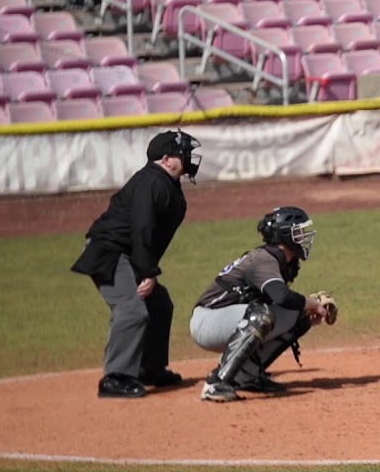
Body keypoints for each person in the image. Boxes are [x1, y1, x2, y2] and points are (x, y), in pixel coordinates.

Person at [71, 130, 200, 399]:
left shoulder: (167, 185)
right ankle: (115, 377)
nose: (188, 157)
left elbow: (152, 237)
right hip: (108, 252)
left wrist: (146, 269)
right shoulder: (150, 182)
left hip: (127, 255)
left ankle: (149, 368)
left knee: (159, 304)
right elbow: (142, 227)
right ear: (165, 159)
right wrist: (147, 272)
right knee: (132, 310)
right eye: (182, 153)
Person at [191, 207, 336, 402]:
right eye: (299, 232)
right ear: (286, 234)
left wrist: (307, 310)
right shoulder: (263, 260)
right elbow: (282, 296)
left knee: (299, 315)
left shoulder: (284, 261)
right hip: (208, 320)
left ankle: (247, 375)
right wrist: (312, 303)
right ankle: (216, 383)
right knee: (262, 314)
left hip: (230, 317)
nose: (304, 237)